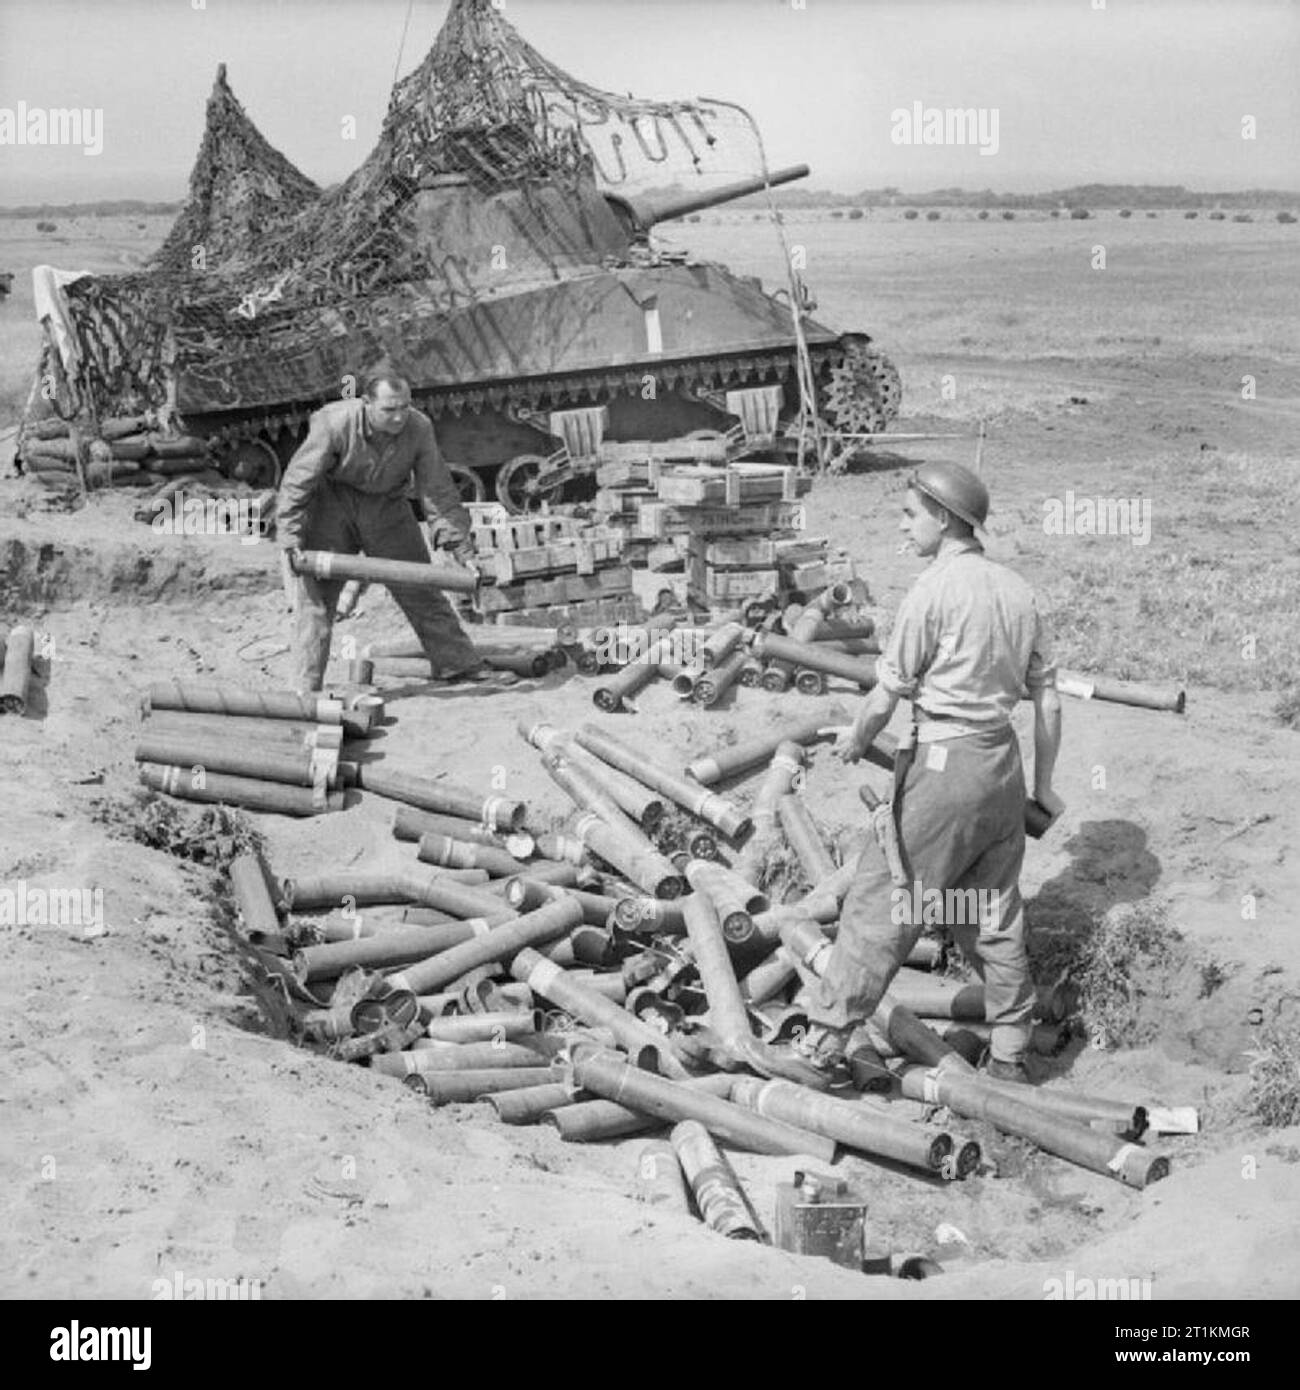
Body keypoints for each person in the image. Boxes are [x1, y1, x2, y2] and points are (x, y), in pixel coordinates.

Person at [793, 460, 1063, 1084]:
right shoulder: (1019, 592)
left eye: (910, 514)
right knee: (989, 911)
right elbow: (1047, 699)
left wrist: (857, 740)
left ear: (944, 519)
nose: (902, 525)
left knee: (882, 902)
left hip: (942, 772)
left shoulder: (931, 592)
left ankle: (824, 1047)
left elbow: (885, 696)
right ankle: (1011, 1054)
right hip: (1002, 771)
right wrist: (1043, 787)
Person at [276, 369, 511, 693]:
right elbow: (298, 480)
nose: (399, 417)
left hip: (387, 507)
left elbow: (438, 490)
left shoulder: (419, 427)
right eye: (389, 409)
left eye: (404, 407)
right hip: (332, 505)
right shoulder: (332, 422)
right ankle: (303, 689)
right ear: (366, 403)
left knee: (420, 584)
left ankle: (458, 663)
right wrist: (290, 537)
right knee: (316, 599)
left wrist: (463, 551)